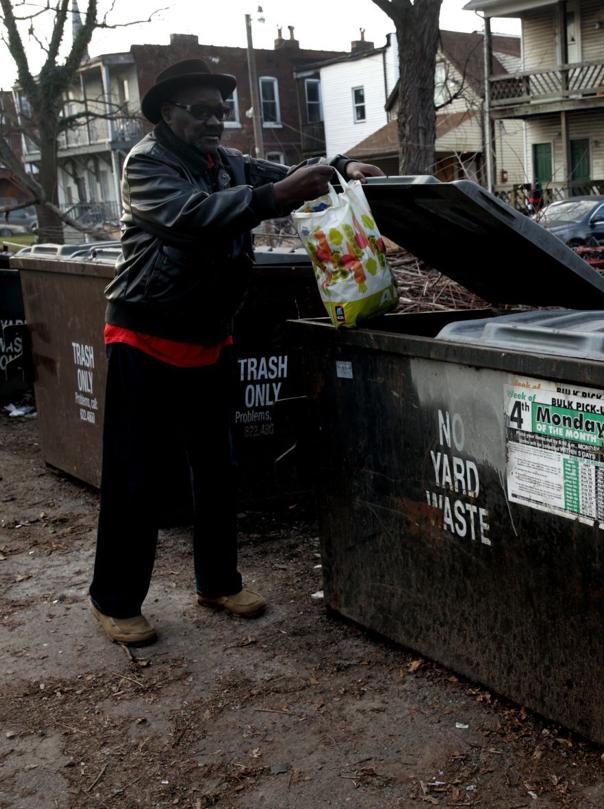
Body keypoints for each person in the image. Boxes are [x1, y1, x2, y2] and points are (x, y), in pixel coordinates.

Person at [88, 59, 382, 645]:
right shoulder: (147, 165)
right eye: (200, 111)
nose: (214, 121)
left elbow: (286, 170)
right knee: (137, 475)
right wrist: (275, 196)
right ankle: (115, 600)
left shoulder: (225, 161)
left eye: (221, 111)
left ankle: (218, 581)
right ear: (167, 114)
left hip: (208, 335)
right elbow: (193, 218)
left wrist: (342, 166)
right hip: (145, 335)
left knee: (219, 469)